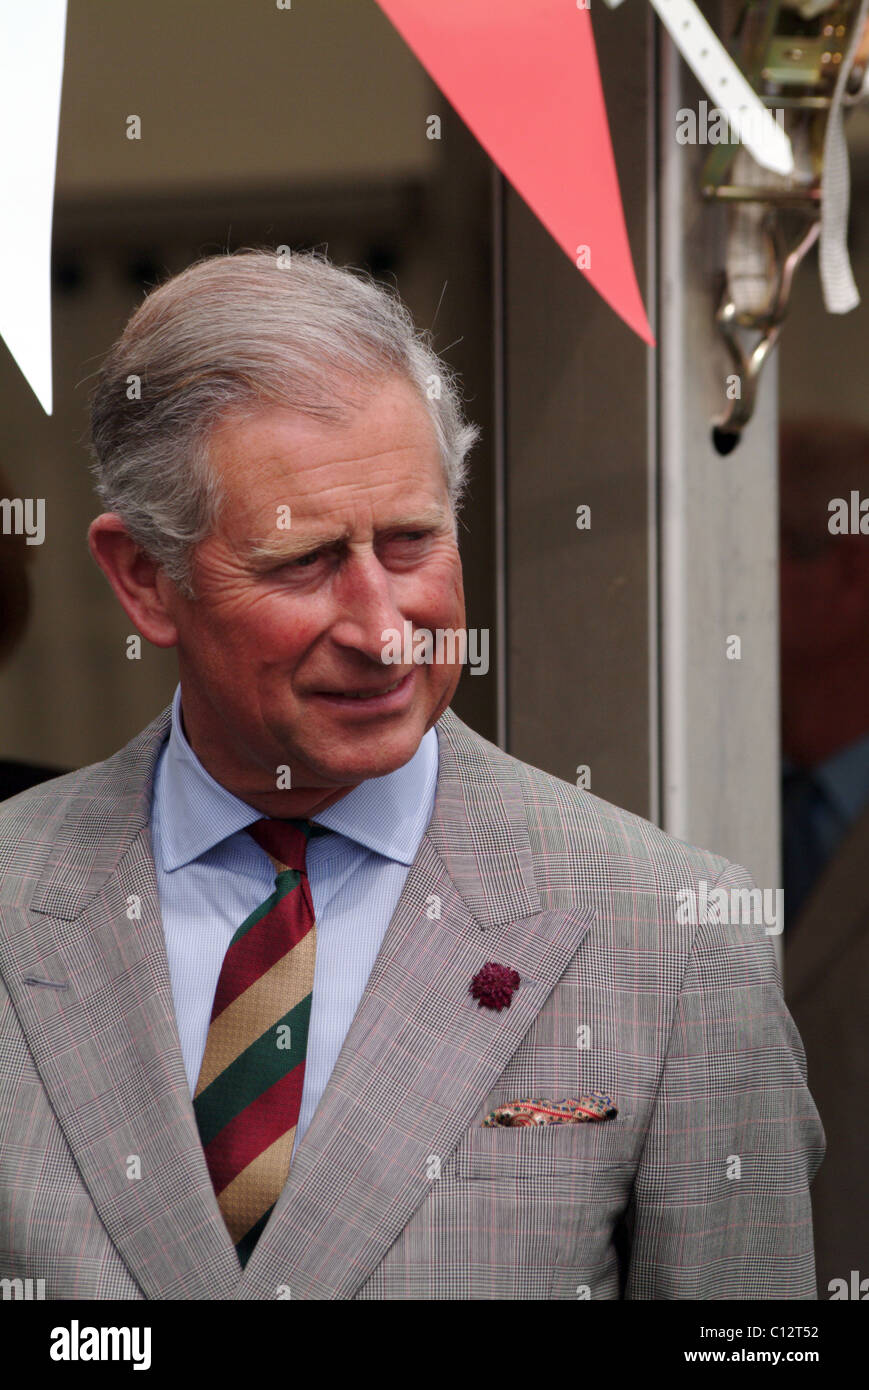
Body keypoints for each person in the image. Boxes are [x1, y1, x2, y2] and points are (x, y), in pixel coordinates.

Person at [0, 248, 823, 1300]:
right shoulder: (18, 896)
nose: (384, 630)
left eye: (410, 542)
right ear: (145, 581)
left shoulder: (668, 937)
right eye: (302, 563)